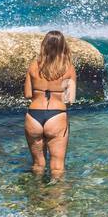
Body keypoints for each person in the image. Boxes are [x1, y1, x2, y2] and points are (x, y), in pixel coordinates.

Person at [24, 30, 75, 179]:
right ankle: (55, 200)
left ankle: (36, 196)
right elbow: (70, 98)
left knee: (38, 165)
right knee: (57, 167)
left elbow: (27, 94)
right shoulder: (68, 68)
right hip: (56, 116)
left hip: (33, 116)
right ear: (62, 46)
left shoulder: (33, 65)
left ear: (44, 45)